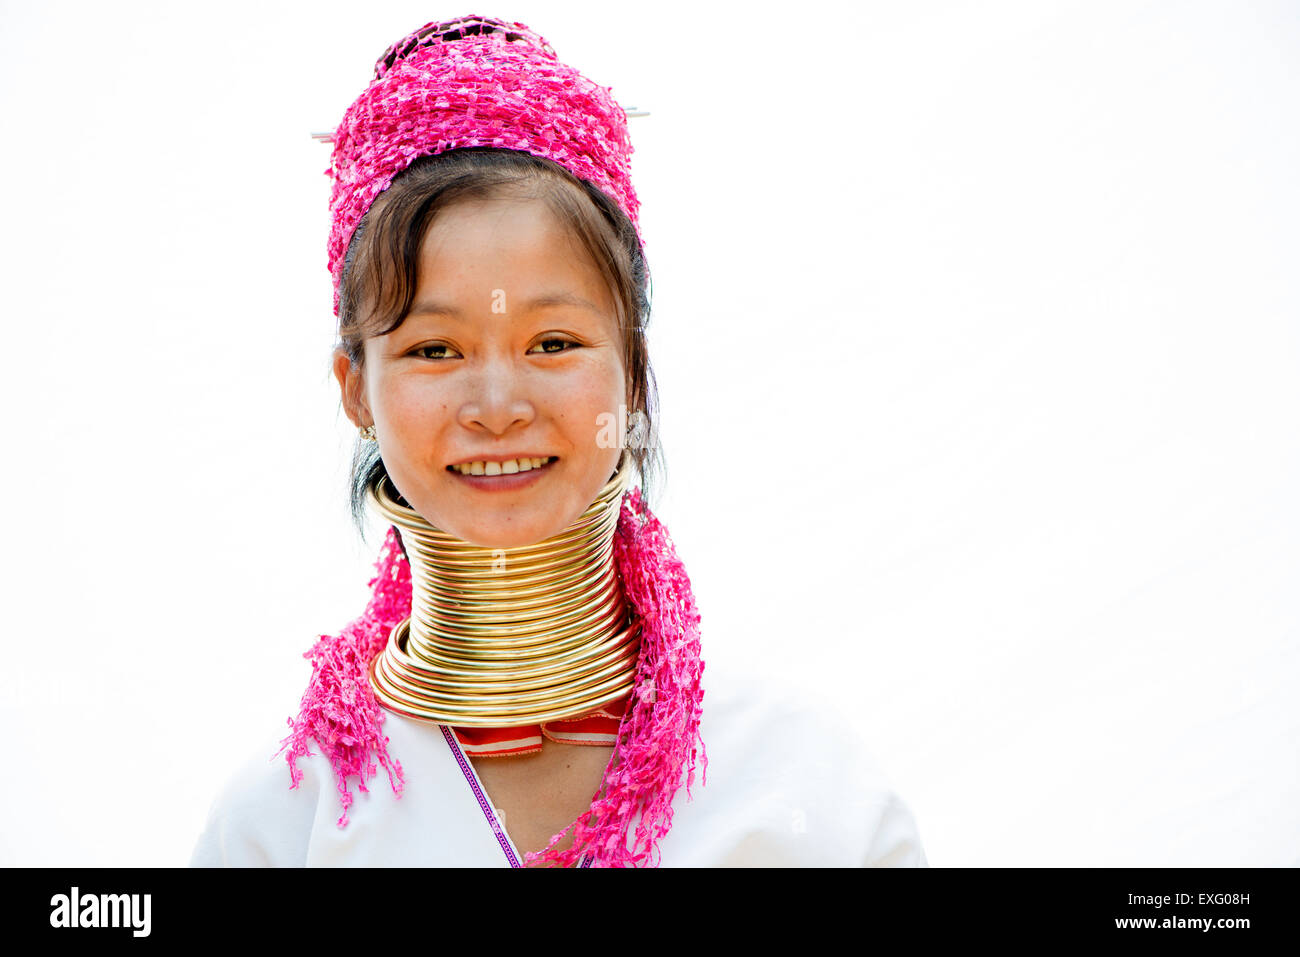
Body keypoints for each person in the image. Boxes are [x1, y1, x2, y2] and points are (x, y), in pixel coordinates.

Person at [190, 14, 928, 868]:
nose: (498, 406)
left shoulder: (805, 788)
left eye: (554, 344)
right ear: (355, 390)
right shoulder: (285, 824)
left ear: (635, 376)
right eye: (435, 350)